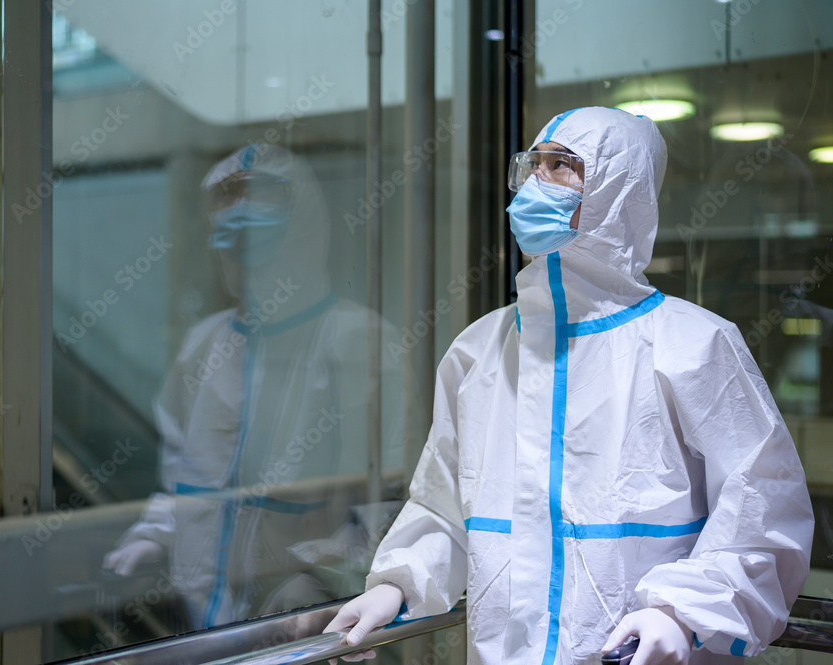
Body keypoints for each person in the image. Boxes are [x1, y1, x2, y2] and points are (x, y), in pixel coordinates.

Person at [324, 107, 814, 665]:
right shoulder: (480, 349)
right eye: (533, 165)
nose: (538, 182)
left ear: (617, 189)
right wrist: (398, 583)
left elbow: (762, 513)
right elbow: (443, 503)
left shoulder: (693, 344)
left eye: (562, 166)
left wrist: (681, 612)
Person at [103, 143, 405, 631]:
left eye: (258, 196)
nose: (239, 212)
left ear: (304, 224)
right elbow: (182, 474)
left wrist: (324, 581)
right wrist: (154, 536)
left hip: (306, 620)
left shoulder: (360, 342)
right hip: (199, 615)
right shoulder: (205, 344)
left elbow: (391, 498)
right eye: (227, 200)